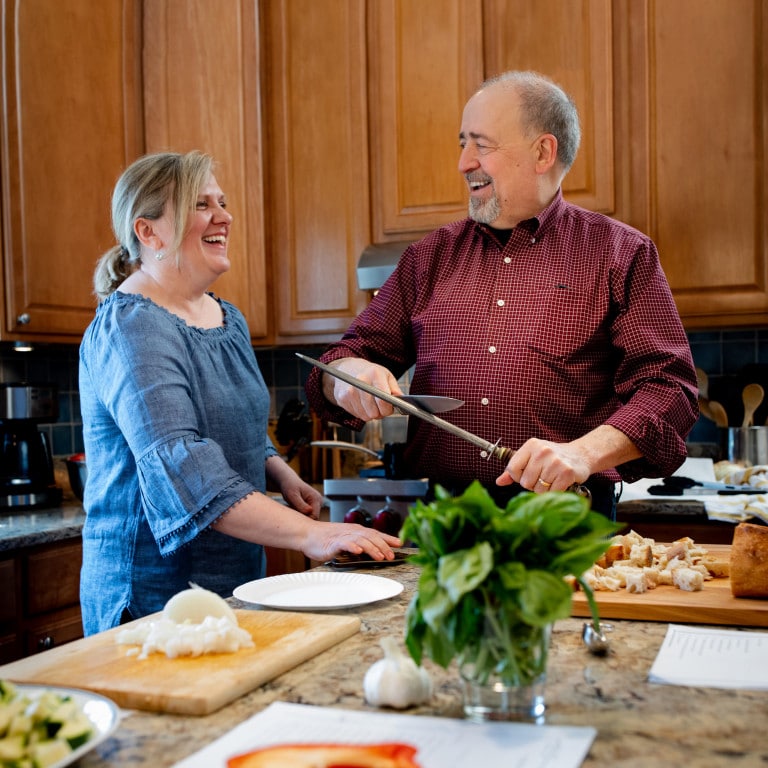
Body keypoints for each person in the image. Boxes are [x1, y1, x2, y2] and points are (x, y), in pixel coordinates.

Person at [305, 70, 698, 517]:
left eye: (481, 144)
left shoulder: (621, 254)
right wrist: (347, 376)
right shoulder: (428, 257)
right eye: (462, 144)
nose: (464, 162)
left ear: (542, 152)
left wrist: (583, 454)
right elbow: (338, 361)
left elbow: (669, 390)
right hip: (441, 521)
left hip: (562, 520)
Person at [79, 151, 400, 634]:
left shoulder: (228, 318)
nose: (223, 216)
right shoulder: (132, 328)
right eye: (200, 204)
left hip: (232, 577)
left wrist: (279, 471)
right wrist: (312, 535)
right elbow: (181, 462)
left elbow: (236, 424)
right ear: (149, 233)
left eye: (222, 202)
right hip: (151, 594)